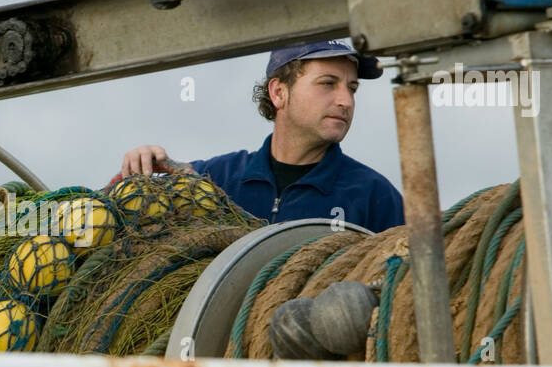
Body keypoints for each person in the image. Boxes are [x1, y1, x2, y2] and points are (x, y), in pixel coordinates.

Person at [118, 41, 405, 233]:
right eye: (328, 84)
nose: (346, 100)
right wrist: (145, 165)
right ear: (278, 92)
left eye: (352, 88)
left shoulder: (376, 198)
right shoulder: (212, 180)